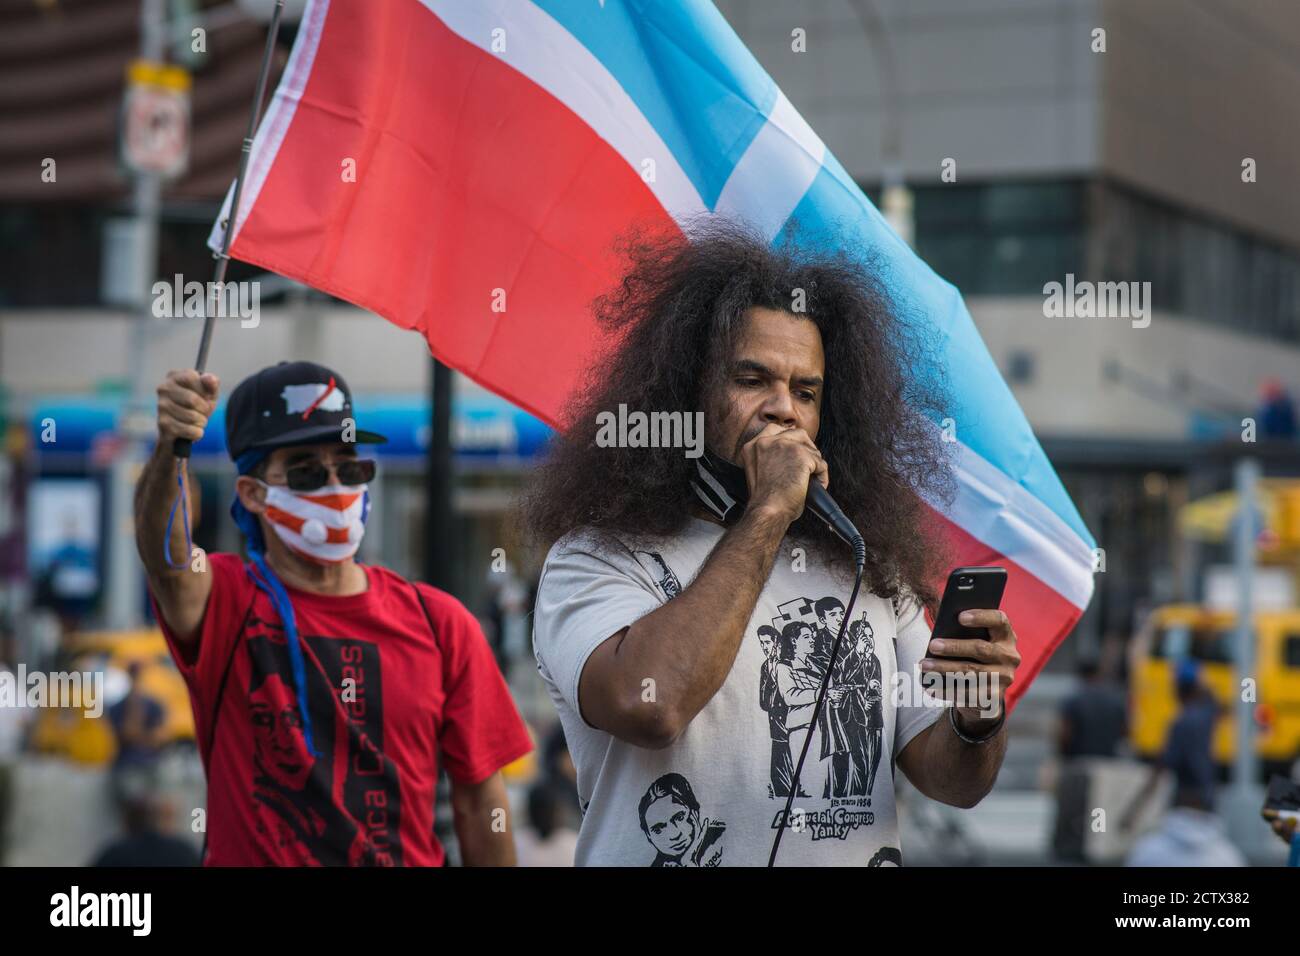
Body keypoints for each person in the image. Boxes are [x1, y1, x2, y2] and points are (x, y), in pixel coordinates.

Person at [528, 221, 1022, 866]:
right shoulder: (596, 558)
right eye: (752, 380)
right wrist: (767, 513)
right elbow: (649, 703)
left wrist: (977, 717)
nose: (783, 409)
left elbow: (952, 783)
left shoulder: (865, 568)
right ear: (687, 390)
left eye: (806, 391)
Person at [134, 361, 532, 865]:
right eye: (305, 471)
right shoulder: (227, 600)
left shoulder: (441, 623)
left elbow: (481, 804)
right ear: (253, 494)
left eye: (349, 466)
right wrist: (173, 445)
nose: (335, 486)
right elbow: (166, 560)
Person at [1121, 660, 1243, 866]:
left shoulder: (1182, 723)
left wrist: (1133, 811)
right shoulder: (1208, 713)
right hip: (1207, 800)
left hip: (1183, 802)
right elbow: (1219, 702)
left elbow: (1160, 770)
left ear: (1177, 689)